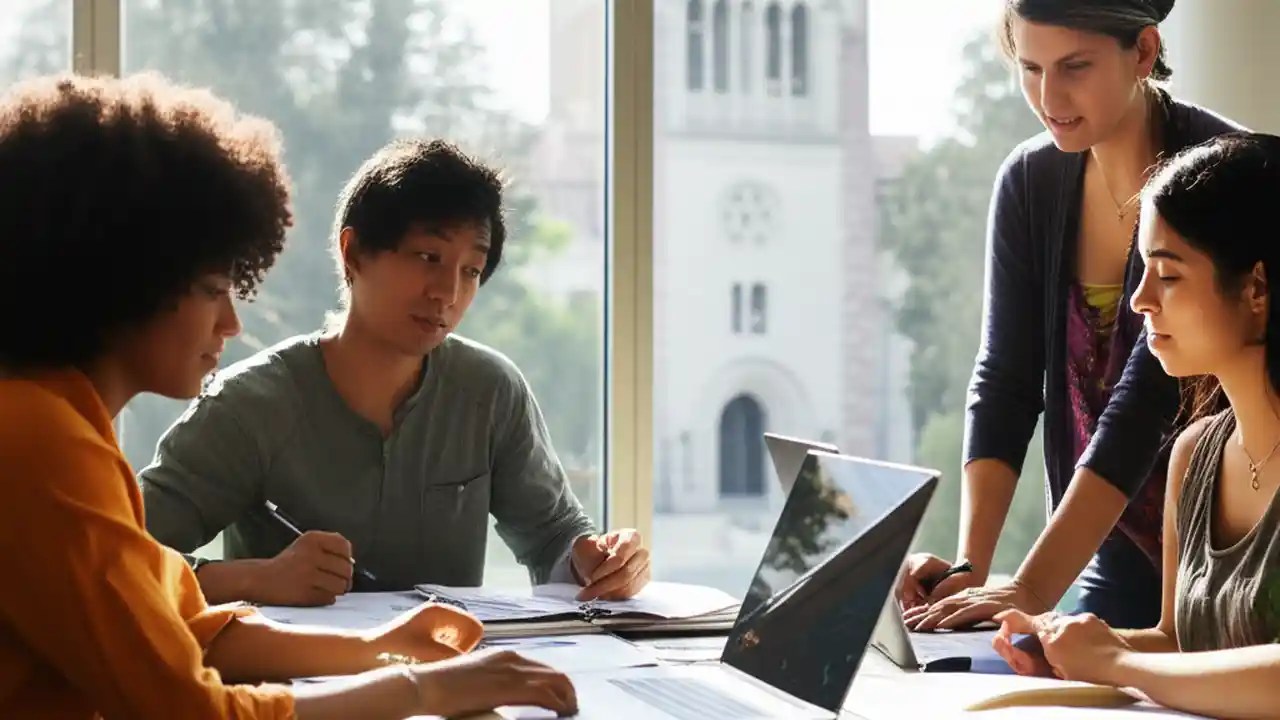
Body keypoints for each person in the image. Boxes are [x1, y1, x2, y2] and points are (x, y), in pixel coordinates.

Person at [0, 72, 576, 720]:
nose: (231, 324)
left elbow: (186, 627)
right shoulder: (41, 445)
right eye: (214, 288)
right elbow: (195, 710)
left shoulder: (56, 425)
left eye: (470, 270)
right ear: (125, 282)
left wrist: (379, 649)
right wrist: (424, 691)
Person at [138, 136, 650, 608]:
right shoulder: (250, 404)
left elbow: (553, 534)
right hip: (301, 690)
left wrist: (596, 561)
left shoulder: (490, 391)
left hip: (454, 686)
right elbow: (117, 557)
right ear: (353, 252)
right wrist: (255, 579)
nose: (447, 293)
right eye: (428, 257)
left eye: (470, 271)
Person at [899, 0, 1245, 632]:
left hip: (1225, 562)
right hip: (1105, 558)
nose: (1047, 95)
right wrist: (970, 573)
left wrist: (1030, 586)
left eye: (1074, 67)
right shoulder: (1030, 183)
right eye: (1030, 68)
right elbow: (1005, 381)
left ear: (1143, 51)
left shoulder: (1223, 175)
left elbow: (1144, 404)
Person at [992, 131, 1280, 720]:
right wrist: (1070, 647)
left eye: (1167, 275)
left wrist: (1118, 664)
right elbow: (1182, 646)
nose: (1139, 300)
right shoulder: (1195, 456)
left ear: (1256, 288)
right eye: (1140, 271)